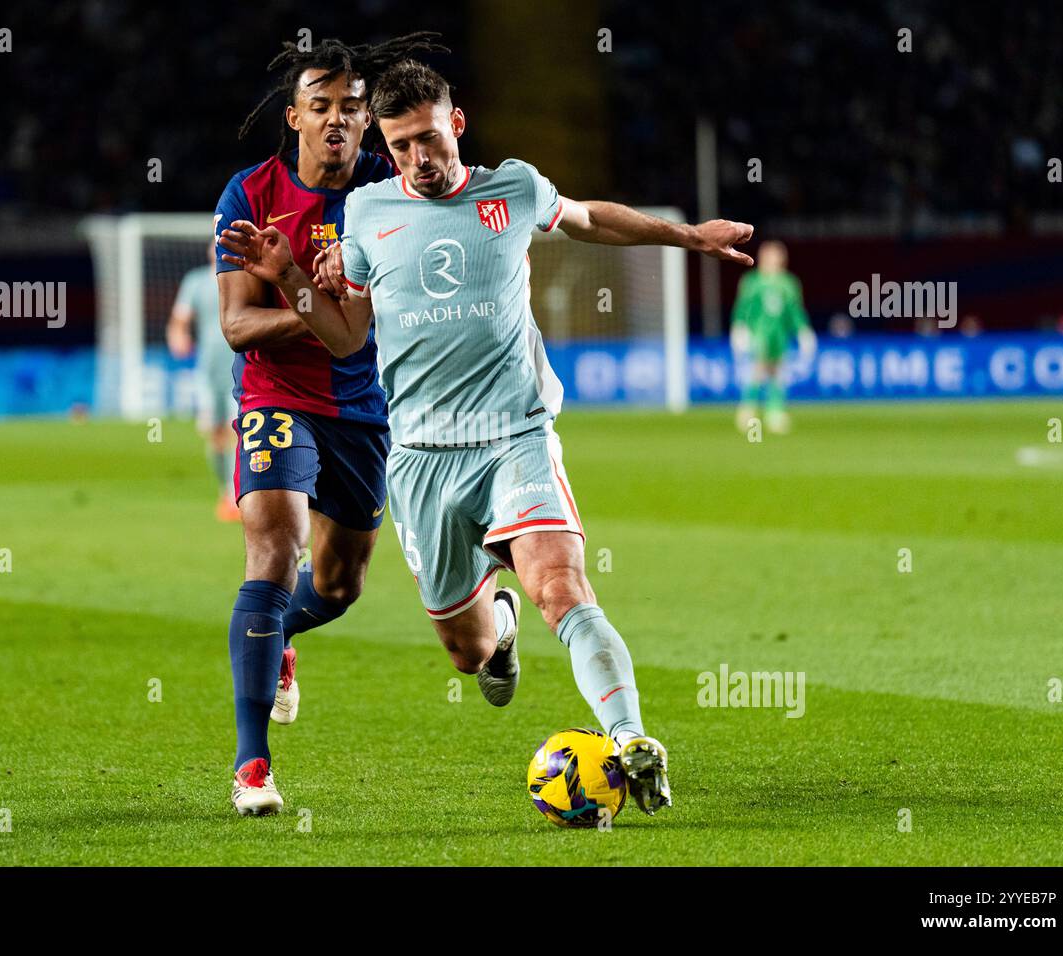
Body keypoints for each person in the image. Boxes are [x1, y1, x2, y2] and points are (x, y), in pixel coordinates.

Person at [218, 59, 754, 815]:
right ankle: (498, 628)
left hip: (515, 438)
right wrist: (293, 277)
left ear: (456, 125)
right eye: (401, 146)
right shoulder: (367, 215)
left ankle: (633, 740)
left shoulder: (512, 188)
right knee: (467, 653)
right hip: (421, 459)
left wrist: (687, 237)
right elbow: (345, 341)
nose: (418, 160)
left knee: (561, 586)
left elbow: (591, 218)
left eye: (430, 141)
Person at [215, 34, 445, 816]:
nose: (340, 119)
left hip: (366, 409)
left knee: (340, 586)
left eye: (353, 106)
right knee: (273, 550)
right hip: (275, 399)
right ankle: (252, 767)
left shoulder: (389, 191)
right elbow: (239, 328)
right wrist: (302, 299)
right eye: (323, 107)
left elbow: (361, 324)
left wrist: (316, 300)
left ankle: (280, 643)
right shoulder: (249, 195)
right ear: (296, 117)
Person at [166, 246, 242, 522]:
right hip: (208, 370)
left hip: (239, 368)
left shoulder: (241, 277)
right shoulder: (195, 281)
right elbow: (179, 319)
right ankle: (226, 490)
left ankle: (239, 494)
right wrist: (178, 336)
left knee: (239, 431)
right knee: (215, 433)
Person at [729, 240, 815, 434]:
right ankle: (747, 410)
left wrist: (803, 331)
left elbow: (794, 311)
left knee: (777, 372)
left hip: (779, 334)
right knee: (759, 369)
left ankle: (774, 411)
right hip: (759, 332)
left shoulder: (789, 283)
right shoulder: (752, 281)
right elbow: (743, 308)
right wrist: (739, 327)